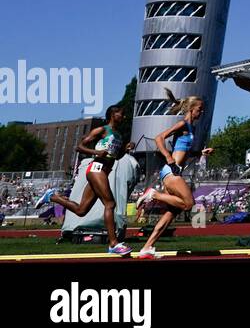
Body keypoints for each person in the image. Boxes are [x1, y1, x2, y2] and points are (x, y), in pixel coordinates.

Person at [136, 90, 215, 258]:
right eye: (200, 109)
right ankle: (154, 194)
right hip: (171, 172)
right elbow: (159, 138)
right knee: (188, 204)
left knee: (171, 213)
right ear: (191, 109)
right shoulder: (183, 124)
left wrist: (201, 152)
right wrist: (168, 158)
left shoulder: (190, 128)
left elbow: (184, 152)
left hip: (174, 171)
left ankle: (147, 247)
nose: (201, 112)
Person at [50, 105, 132, 256]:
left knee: (81, 210)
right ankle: (113, 243)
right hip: (96, 168)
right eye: (122, 113)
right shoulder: (102, 130)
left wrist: (125, 149)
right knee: (110, 204)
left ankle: (52, 197)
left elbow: (116, 156)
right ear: (113, 114)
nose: (124, 116)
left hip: (104, 171)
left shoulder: (119, 135)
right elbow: (79, 147)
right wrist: (96, 152)